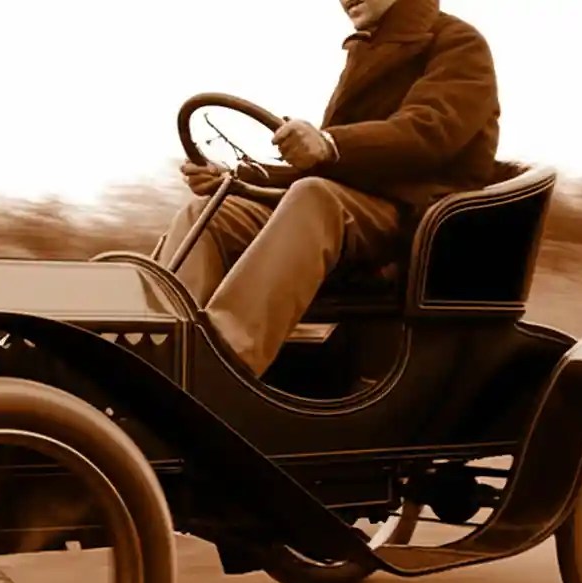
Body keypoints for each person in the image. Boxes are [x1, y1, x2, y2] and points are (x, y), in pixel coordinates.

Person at [153, 0, 500, 378]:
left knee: (315, 198)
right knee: (210, 214)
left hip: (414, 223)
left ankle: (221, 366)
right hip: (352, 207)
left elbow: (429, 132)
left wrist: (330, 143)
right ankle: (160, 344)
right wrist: (236, 179)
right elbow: (325, 165)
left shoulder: (459, 44)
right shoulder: (368, 48)